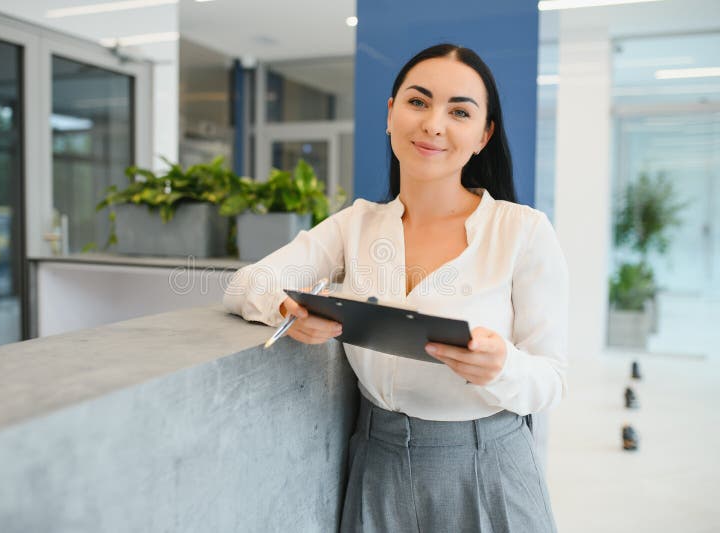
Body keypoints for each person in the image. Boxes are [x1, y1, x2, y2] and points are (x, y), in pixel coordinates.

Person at [223, 43, 567, 533]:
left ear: (484, 134)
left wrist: (502, 367)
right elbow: (245, 282)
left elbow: (552, 379)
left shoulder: (523, 231)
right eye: (418, 102)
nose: (433, 124)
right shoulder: (355, 225)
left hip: (487, 469)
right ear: (390, 113)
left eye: (459, 111)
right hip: (377, 463)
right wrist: (284, 308)